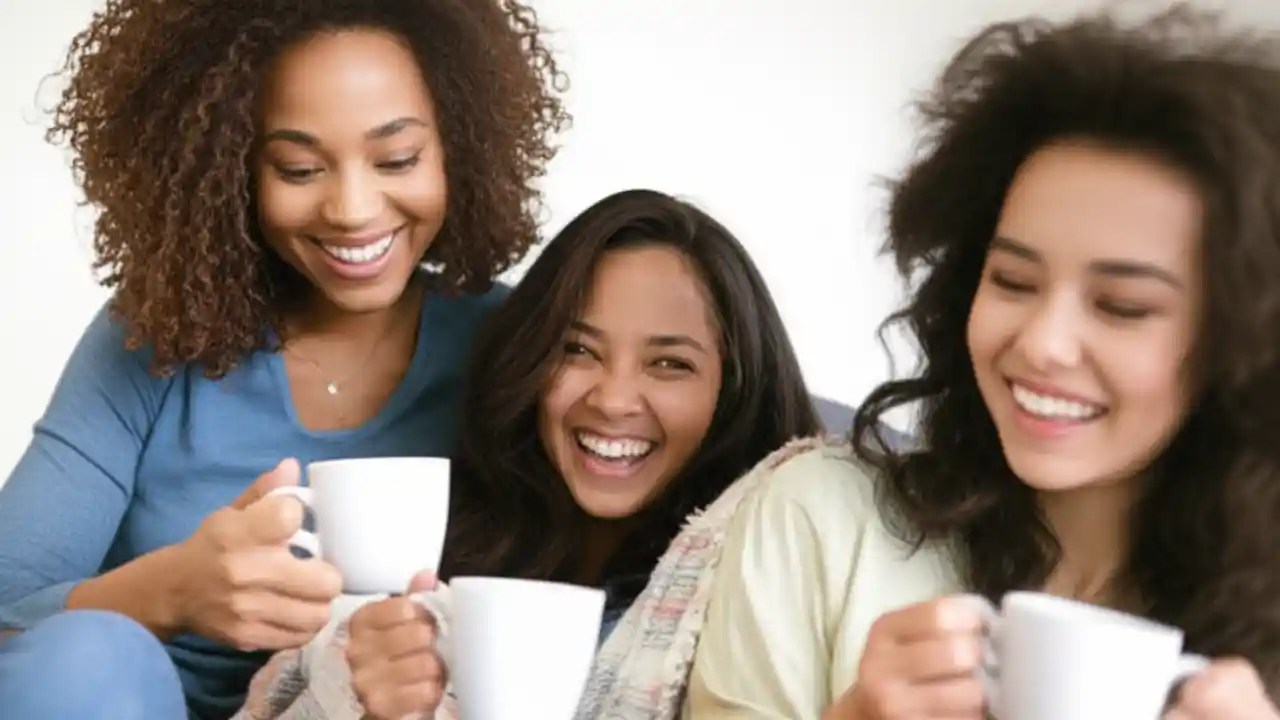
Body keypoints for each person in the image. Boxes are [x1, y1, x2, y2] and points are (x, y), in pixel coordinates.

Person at [687, 5, 1280, 719]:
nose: (1040, 342)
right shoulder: (823, 520)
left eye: (1121, 305)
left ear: (1243, 344)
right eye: (1013, 282)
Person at [0, 1, 568, 718]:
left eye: (397, 159)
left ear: (462, 147)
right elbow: (7, 609)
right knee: (86, 658)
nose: (354, 210)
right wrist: (174, 591)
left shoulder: (516, 344)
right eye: (299, 169)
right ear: (230, 168)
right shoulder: (155, 334)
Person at [232, 189, 824, 719]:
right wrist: (365, 704)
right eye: (578, 350)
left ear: (735, 392)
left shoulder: (755, 605)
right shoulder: (432, 565)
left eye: (670, 363)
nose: (613, 399)